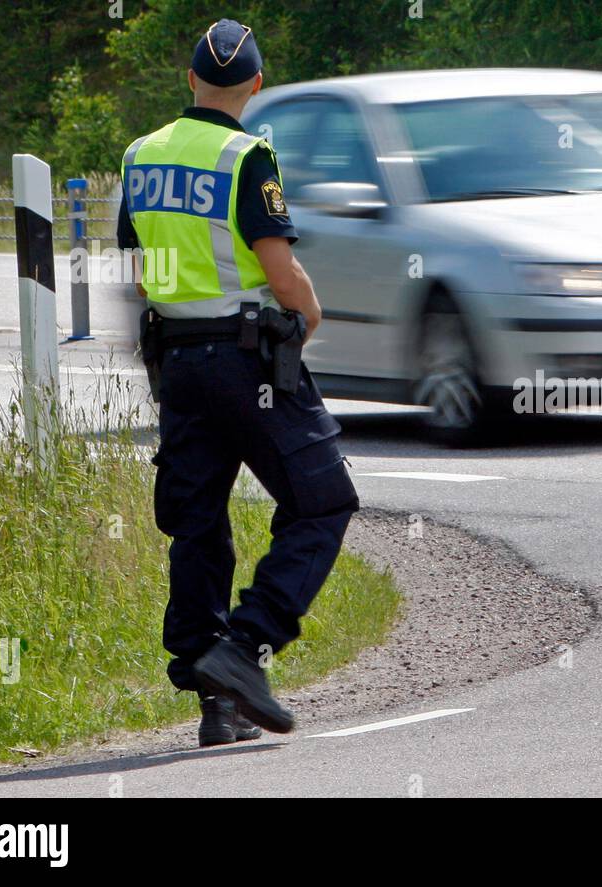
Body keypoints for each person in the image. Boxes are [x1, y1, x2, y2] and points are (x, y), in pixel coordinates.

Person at [117, 19, 359, 741]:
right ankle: (248, 645)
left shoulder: (141, 155)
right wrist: (308, 316)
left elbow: (141, 268)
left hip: (179, 363)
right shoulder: (249, 155)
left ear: (189, 80)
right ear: (254, 86)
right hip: (247, 358)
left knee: (198, 525)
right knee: (322, 500)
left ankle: (214, 700)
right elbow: (280, 269)